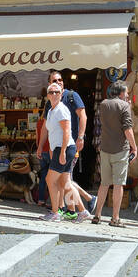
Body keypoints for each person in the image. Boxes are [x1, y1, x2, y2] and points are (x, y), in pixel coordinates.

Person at [36, 71, 92, 216]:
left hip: (67, 147)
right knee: (64, 181)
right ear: (49, 86)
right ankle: (77, 210)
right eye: (54, 81)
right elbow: (45, 128)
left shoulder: (68, 101)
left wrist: (80, 137)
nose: (57, 83)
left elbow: (82, 117)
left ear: (61, 91)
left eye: (60, 80)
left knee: (53, 179)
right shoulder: (50, 107)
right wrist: (42, 146)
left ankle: (60, 211)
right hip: (60, 147)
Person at [92, 82, 136, 227]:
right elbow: (127, 129)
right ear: (121, 93)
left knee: (104, 183)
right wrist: (134, 147)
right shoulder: (124, 106)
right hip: (120, 150)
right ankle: (115, 218)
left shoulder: (103, 104)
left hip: (105, 148)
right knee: (118, 184)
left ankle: (97, 215)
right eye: (127, 93)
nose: (128, 95)